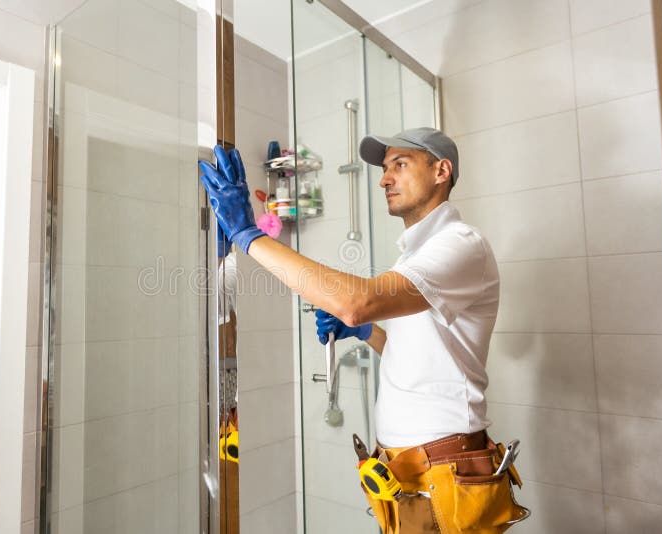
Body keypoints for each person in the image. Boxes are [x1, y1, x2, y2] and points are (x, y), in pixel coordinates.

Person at [199, 127, 528, 533]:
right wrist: (367, 332)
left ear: (442, 171)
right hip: (412, 476)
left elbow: (357, 303)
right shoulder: (418, 254)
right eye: (386, 168)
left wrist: (249, 237)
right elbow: (413, 354)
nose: (385, 178)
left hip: (445, 476)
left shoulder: (460, 244)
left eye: (400, 165)